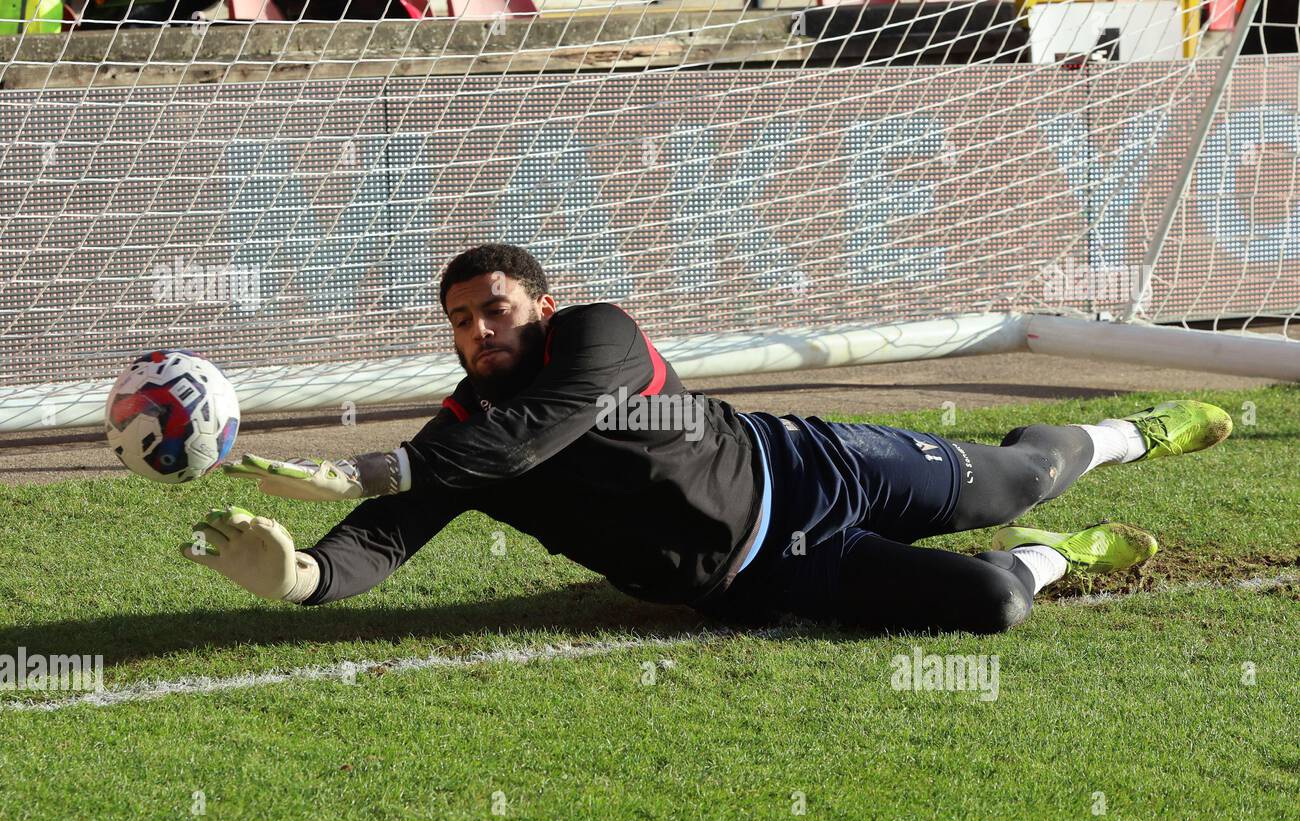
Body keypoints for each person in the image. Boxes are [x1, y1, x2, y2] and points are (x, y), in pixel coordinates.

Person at [182, 243, 1233, 633]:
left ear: (542, 307)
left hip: (805, 464)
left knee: (1019, 473)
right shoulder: (463, 430)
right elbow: (392, 530)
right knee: (992, 601)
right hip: (759, 579)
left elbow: (541, 432)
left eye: (494, 307)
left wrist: (382, 461)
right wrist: (302, 578)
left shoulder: (597, 340)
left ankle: (1130, 432)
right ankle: (1066, 558)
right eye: (458, 319)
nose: (477, 330)